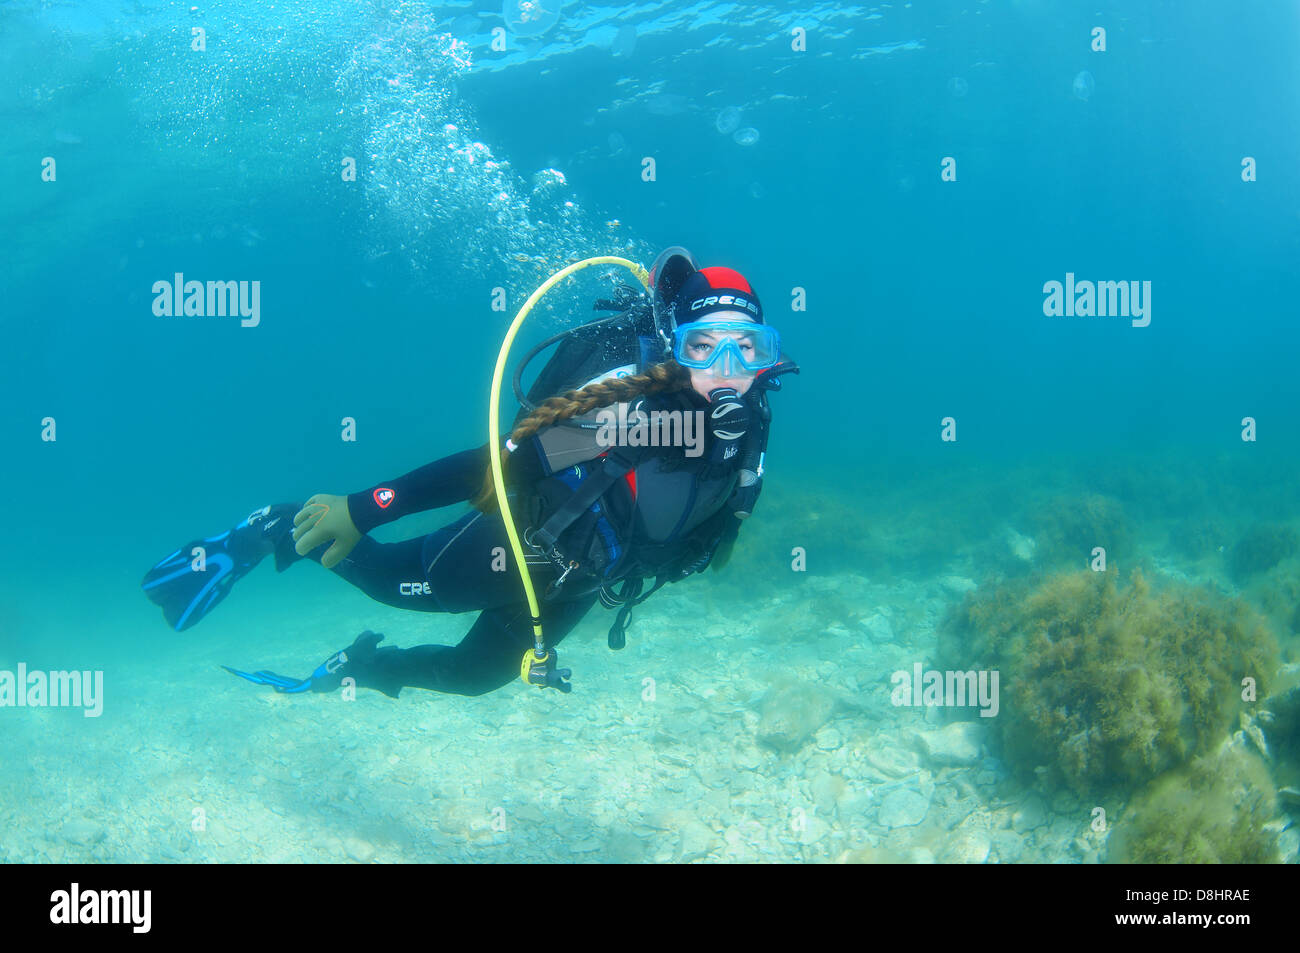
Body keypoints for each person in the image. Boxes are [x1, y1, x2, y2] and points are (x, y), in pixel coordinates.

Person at [141, 247, 797, 697]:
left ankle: (364, 668)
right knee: (385, 580)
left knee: (478, 675)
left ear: (770, 356)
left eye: (749, 349)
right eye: (703, 347)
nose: (726, 371)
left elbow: (728, 501)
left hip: (581, 578)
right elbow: (497, 467)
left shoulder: (751, 426)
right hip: (517, 547)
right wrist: (361, 507)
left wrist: (723, 535)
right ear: (673, 351)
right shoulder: (632, 412)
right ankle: (277, 525)